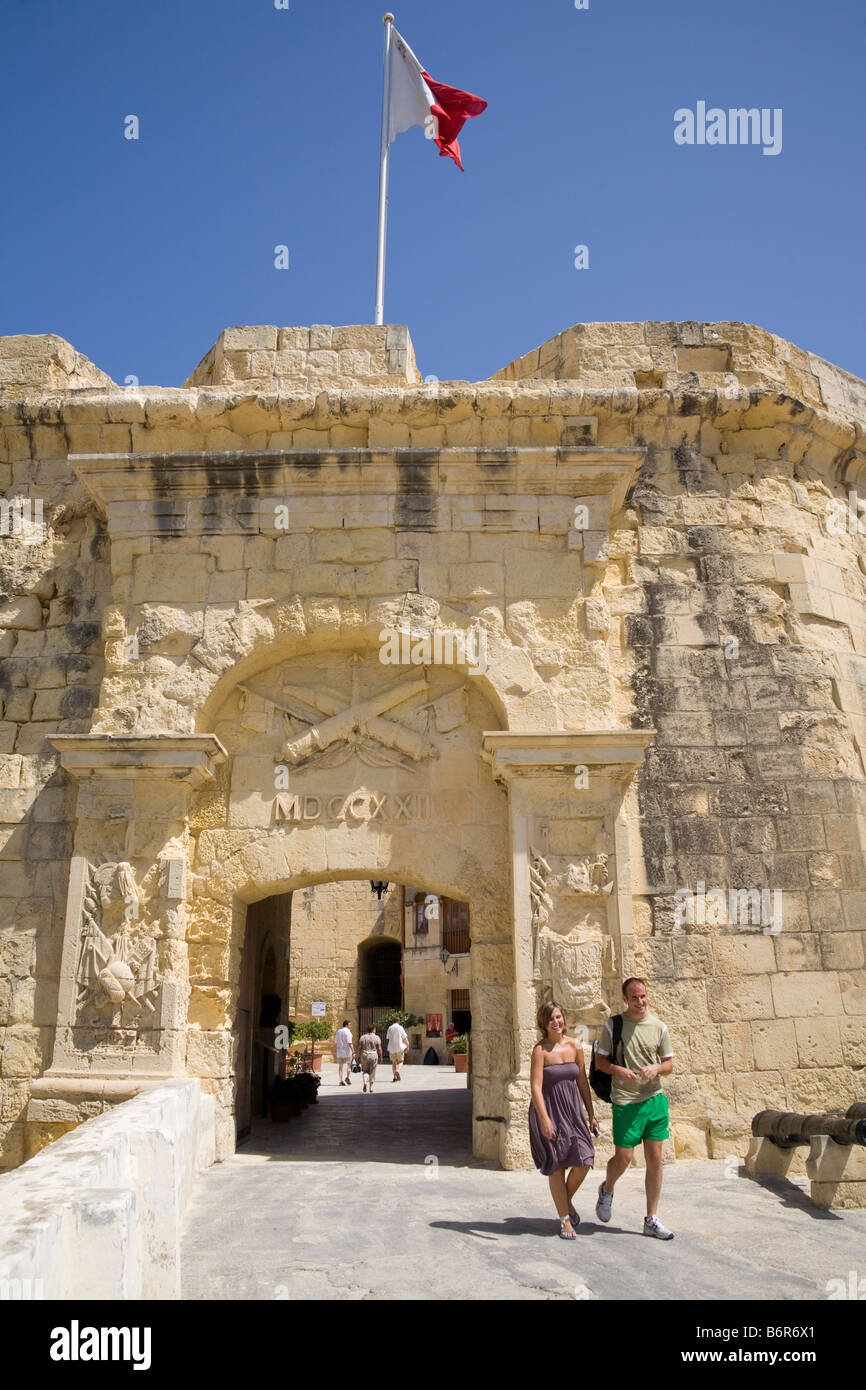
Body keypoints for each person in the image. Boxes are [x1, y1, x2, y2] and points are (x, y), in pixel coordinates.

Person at [594, 977, 675, 1240]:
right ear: (625, 999)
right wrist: (617, 1069)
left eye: (643, 996)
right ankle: (607, 1189)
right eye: (635, 997)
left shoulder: (659, 1027)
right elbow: (600, 1062)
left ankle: (651, 1218)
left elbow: (669, 1064)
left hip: (654, 1100)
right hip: (626, 1102)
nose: (640, 1002)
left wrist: (656, 1068)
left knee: (655, 1159)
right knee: (624, 1158)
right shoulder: (613, 1026)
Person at [529, 1000, 597, 1239]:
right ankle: (565, 1219)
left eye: (558, 1017)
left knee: (584, 1159)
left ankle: (564, 1202)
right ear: (544, 1024)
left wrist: (591, 1114)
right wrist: (544, 1119)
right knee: (556, 1165)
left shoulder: (575, 1045)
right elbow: (535, 1087)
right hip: (549, 1110)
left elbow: (582, 1081)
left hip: (572, 1110)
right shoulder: (541, 1050)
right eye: (551, 1019)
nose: (556, 1022)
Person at [358, 1024, 382, 1094]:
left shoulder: (363, 1037)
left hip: (365, 1054)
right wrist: (380, 1057)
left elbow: (360, 1048)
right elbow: (379, 1048)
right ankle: (371, 1088)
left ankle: (365, 1082)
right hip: (373, 1055)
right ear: (373, 1029)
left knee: (365, 1071)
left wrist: (358, 1056)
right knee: (372, 1071)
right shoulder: (376, 1037)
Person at [335, 1019, 354, 1087]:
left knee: (340, 1066)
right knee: (349, 1065)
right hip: (347, 1051)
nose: (351, 1026)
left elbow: (336, 1041)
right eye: (350, 1025)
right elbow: (350, 1043)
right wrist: (353, 1052)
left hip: (340, 1051)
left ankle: (340, 1081)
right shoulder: (348, 1032)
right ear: (346, 1025)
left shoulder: (338, 1031)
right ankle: (347, 1078)